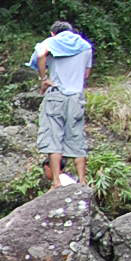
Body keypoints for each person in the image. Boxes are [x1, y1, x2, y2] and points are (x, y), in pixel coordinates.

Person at [27, 20, 93, 189]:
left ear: (53, 33)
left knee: (53, 138)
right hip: (76, 97)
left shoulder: (52, 42)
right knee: (77, 137)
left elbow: (41, 55)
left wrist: (44, 79)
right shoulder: (85, 46)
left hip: (56, 95)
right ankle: (82, 181)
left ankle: (56, 181)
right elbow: (86, 74)